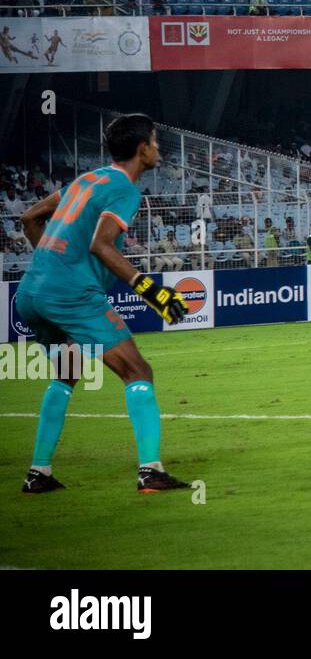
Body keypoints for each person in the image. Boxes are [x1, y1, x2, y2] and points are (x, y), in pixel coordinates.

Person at [15, 113, 191, 494]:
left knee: (66, 372)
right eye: (156, 141)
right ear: (142, 148)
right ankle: (150, 471)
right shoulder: (125, 190)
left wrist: (53, 266)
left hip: (30, 292)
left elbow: (30, 218)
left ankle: (38, 473)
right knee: (137, 371)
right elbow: (100, 244)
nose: (158, 148)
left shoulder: (87, 179)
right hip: (71, 296)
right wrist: (150, 289)